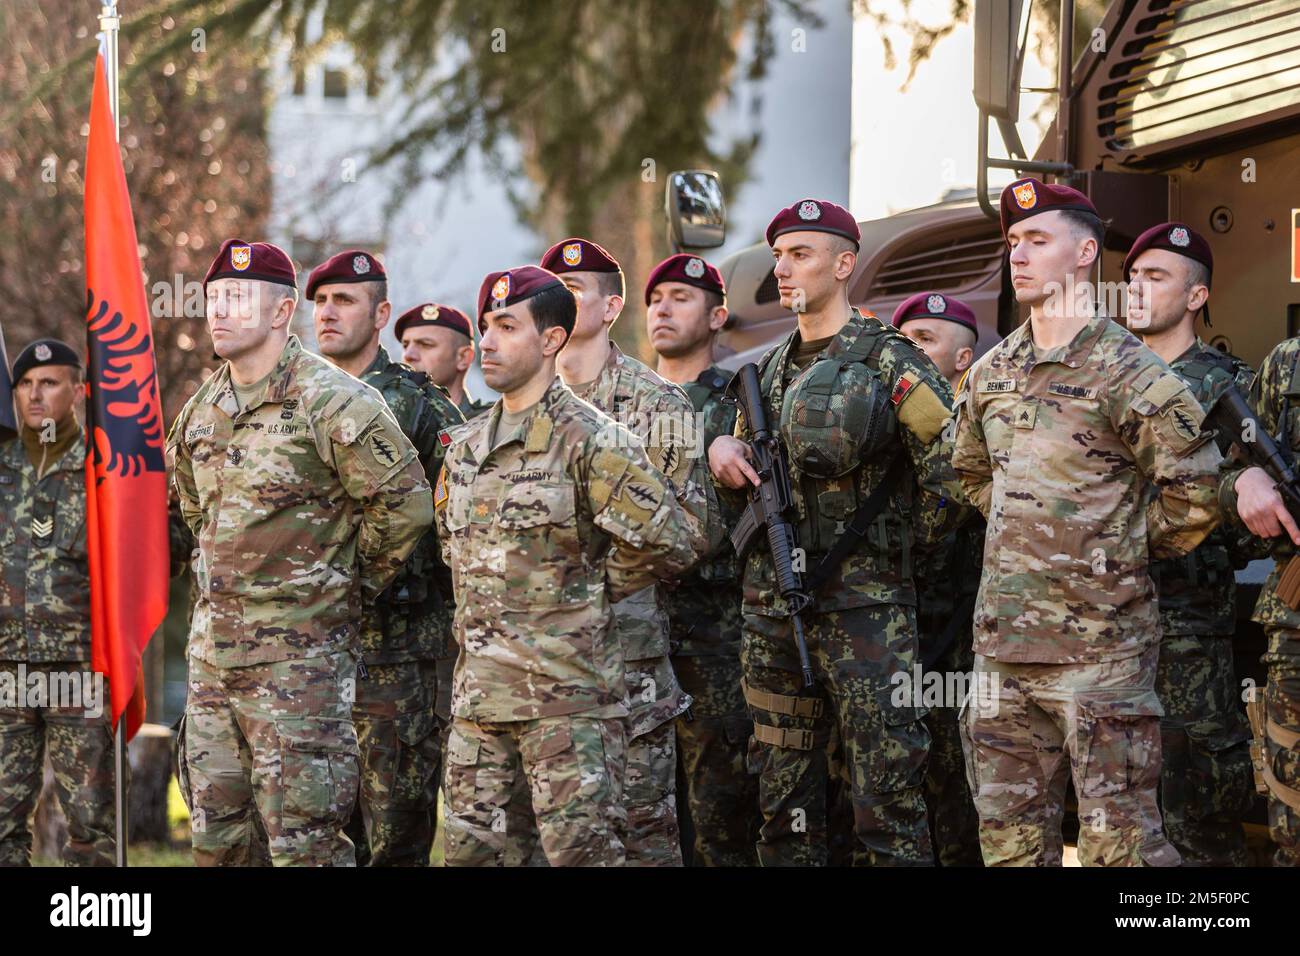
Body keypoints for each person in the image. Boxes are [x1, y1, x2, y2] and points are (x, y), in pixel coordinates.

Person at [950, 180, 1222, 867]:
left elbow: (1195, 493)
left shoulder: (1131, 371)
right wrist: (1040, 534)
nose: (1019, 254)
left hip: (1102, 655)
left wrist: (1111, 548)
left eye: (1038, 240)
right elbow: (973, 475)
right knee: (1008, 845)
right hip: (1003, 654)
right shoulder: (991, 372)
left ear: (1085, 253)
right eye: (1013, 242)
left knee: (1121, 848)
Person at [709, 198, 961, 866]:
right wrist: (722, 454)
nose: (783, 271)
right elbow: (747, 466)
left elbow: (953, 469)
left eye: (801, 255)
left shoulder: (889, 361)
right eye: (779, 256)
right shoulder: (765, 374)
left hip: (869, 616)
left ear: (844, 264)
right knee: (783, 801)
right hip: (772, 611)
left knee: (888, 800)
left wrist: (903, 558)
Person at [167, 238, 433, 866]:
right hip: (213, 671)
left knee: (305, 848)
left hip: (300, 670)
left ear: (283, 313)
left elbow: (406, 506)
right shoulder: (201, 412)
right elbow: (196, 516)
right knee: (217, 845)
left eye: (238, 298)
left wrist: (340, 583)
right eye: (214, 299)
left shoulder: (334, 400)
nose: (220, 312)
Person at [437, 264, 697, 866]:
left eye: (507, 325)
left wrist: (588, 589)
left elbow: (672, 541)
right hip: (479, 707)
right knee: (472, 858)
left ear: (551, 339)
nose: (490, 342)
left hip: (570, 706)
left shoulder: (594, 441)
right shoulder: (466, 450)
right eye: (485, 327)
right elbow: (457, 554)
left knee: (584, 858)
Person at [540, 237, 718, 865]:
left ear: (612, 307)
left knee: (641, 837)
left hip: (625, 667)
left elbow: (692, 532)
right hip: (533, 671)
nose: (557, 299)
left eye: (575, 290)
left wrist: (592, 581)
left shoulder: (658, 406)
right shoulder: (513, 408)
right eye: (549, 288)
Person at [307, 249, 465, 866]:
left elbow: (461, 510)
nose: (328, 313)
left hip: (397, 655)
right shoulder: (294, 397)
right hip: (309, 654)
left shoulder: (418, 405)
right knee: (313, 829)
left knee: (393, 834)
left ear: (381, 314)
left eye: (344, 300)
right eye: (320, 301)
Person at [1125, 222, 1256, 867]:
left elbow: (1246, 514)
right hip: (1104, 633)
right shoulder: (1103, 379)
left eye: (1157, 276)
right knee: (1120, 819)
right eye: (1133, 276)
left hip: (1188, 634)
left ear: (1197, 296)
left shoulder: (1231, 390)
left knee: (1198, 819)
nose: (1137, 288)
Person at [646, 252, 760, 866]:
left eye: (680, 297)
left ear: (718, 316)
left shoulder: (741, 402)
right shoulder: (621, 403)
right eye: (655, 297)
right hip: (637, 627)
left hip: (715, 629)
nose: (663, 307)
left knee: (720, 805)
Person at [0, 339, 117, 867]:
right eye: (25, 383)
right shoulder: (2, 461)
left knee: (93, 828)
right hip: (5, 669)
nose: (34, 394)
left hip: (81, 670)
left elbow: (159, 548)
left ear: (78, 390)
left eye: (48, 382)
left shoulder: (108, 467)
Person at [891, 292, 984, 866]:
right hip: (894, 638)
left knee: (962, 791)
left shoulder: (983, 424)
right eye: (906, 340)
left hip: (964, 647)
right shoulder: (879, 425)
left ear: (963, 359)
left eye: (927, 339)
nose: (912, 351)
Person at [396, 302, 491, 419]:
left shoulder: (491, 426)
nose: (408, 355)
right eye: (405, 345)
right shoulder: (388, 422)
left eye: (425, 344)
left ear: (463, 357)